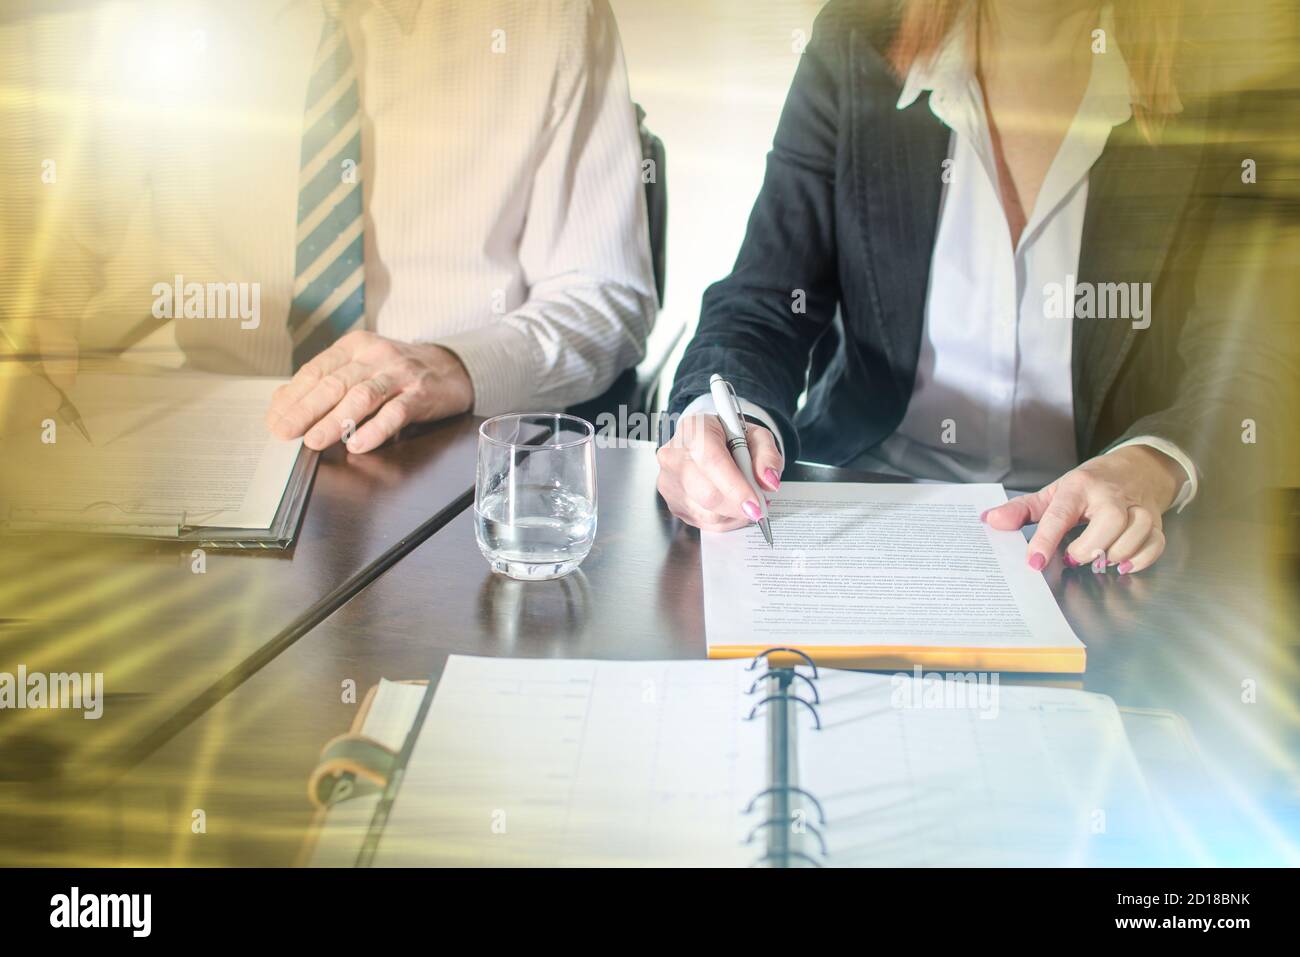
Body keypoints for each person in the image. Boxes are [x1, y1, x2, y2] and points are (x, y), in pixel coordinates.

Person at [658, 0, 1294, 574]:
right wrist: (716, 421)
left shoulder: (1228, 73)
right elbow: (763, 301)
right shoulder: (856, 42)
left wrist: (1154, 464)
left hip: (1102, 540)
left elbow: (1253, 358)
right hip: (863, 500)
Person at [11, 0, 655, 453]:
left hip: (449, 447)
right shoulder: (155, 24)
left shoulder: (551, 16)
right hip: (214, 445)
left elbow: (605, 294)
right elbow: (62, 252)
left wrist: (453, 365)